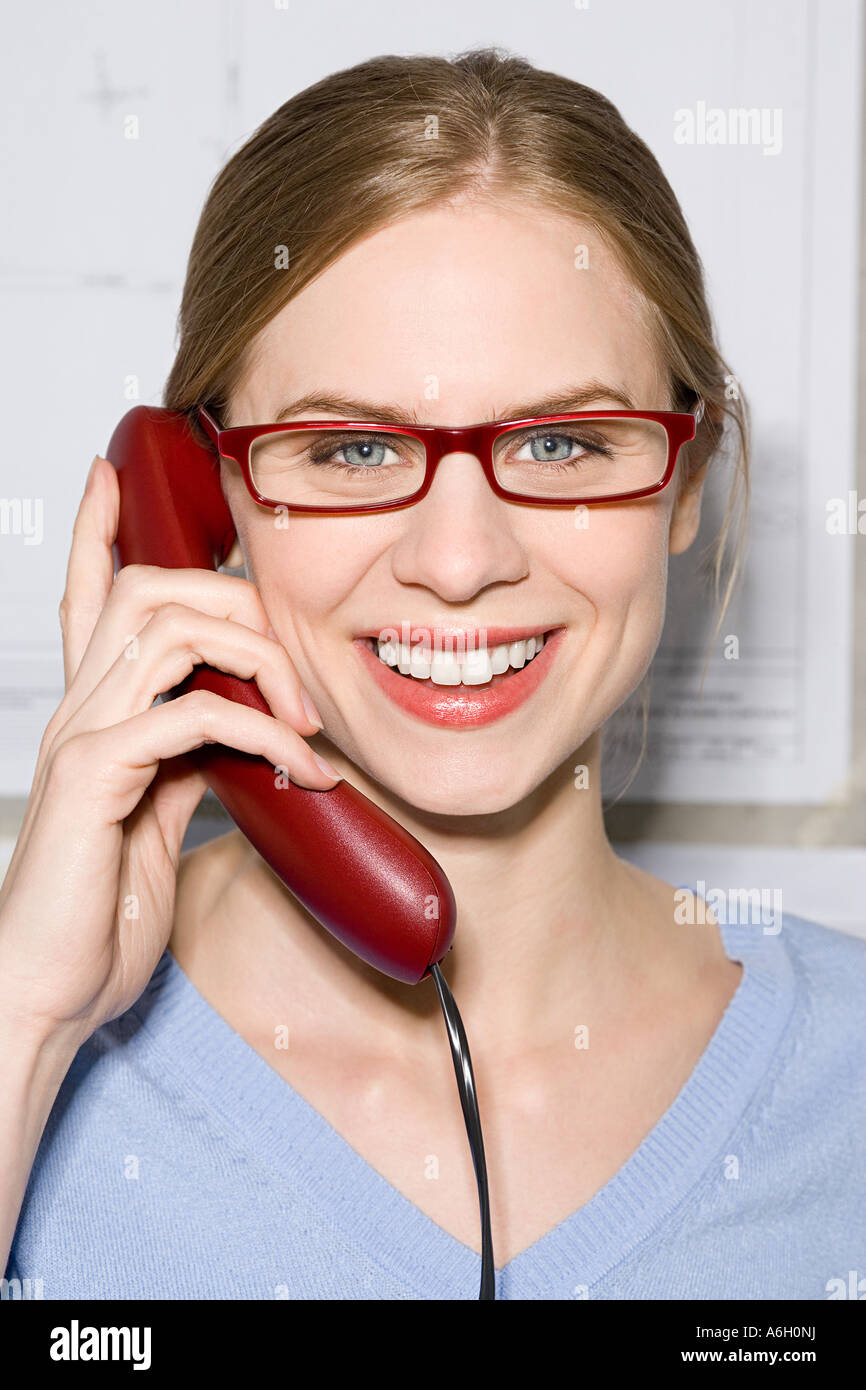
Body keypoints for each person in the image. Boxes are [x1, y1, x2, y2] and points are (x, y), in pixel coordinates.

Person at [1, 48, 864, 1301]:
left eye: (563, 440)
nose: (459, 563)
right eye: (349, 447)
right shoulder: (25, 1032)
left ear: (682, 478)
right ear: (204, 495)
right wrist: (28, 1022)